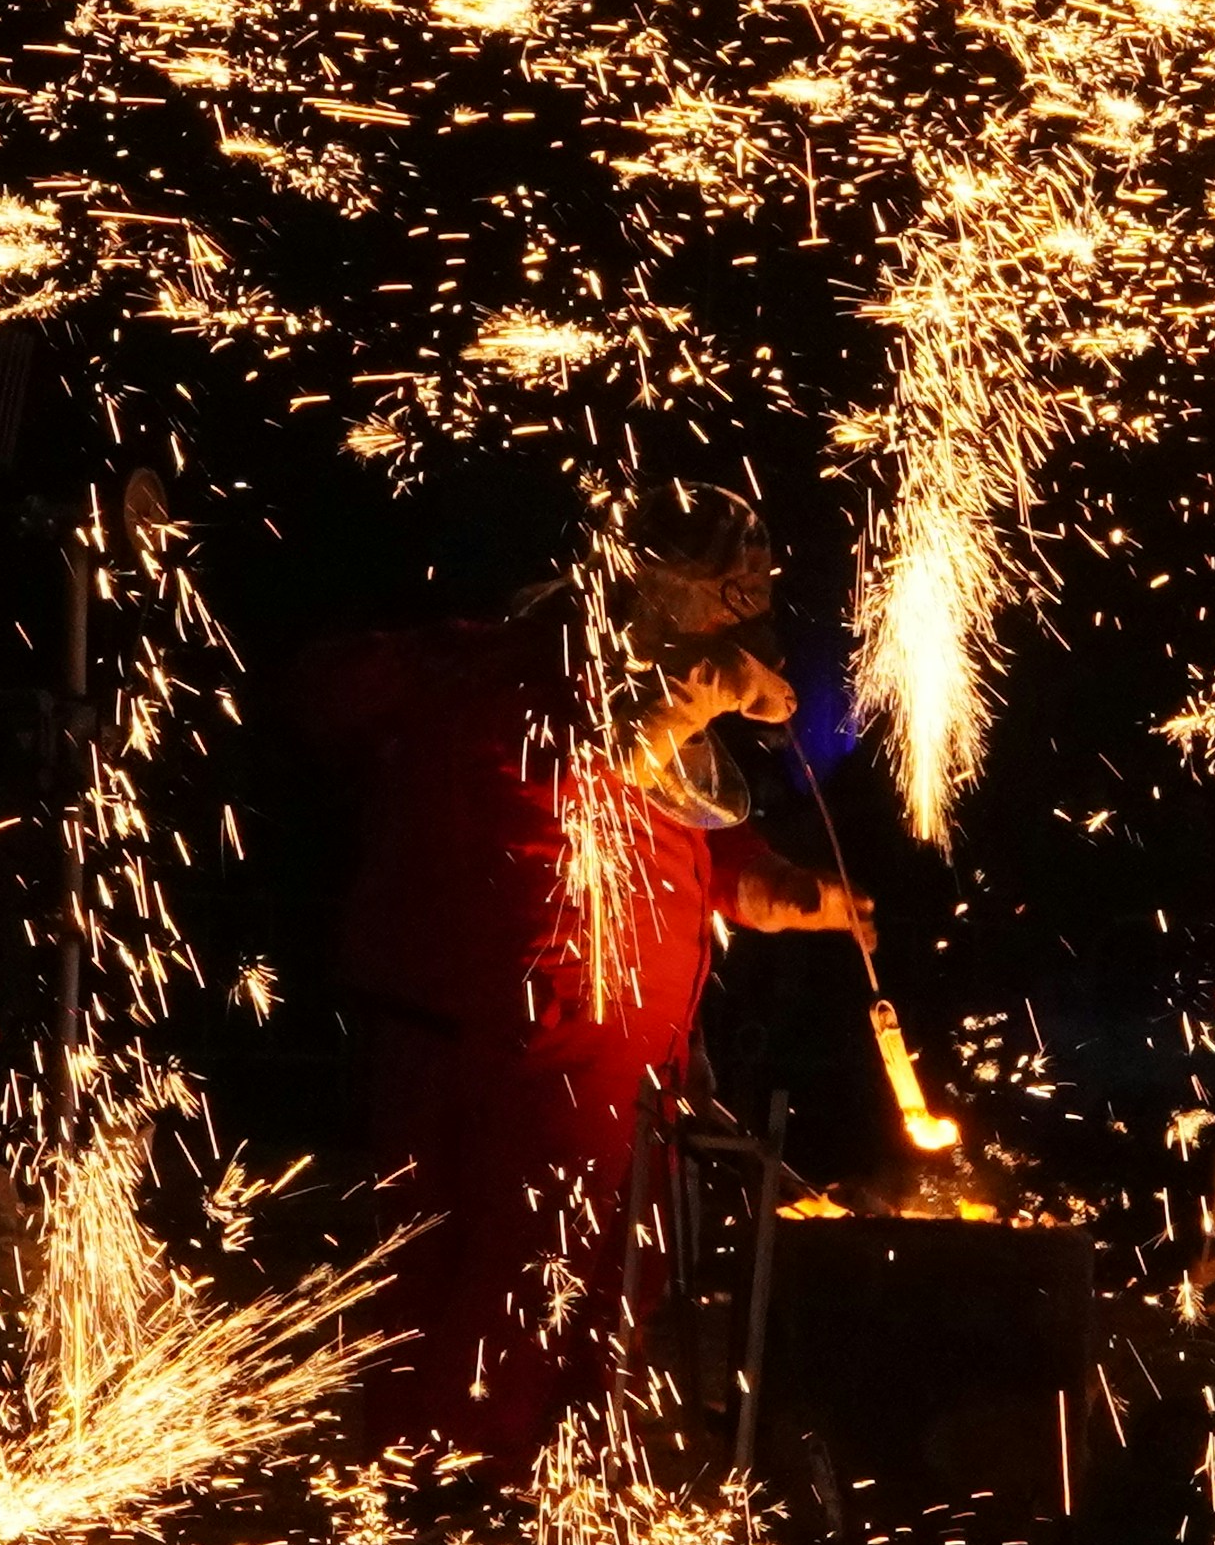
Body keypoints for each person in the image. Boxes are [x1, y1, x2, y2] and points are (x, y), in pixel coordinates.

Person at [289, 486, 867, 1476]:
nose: (742, 618)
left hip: (608, 1047)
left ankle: (546, 1478)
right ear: (656, 580)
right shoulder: (523, 673)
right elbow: (587, 764)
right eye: (727, 598)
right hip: (527, 1040)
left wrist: (769, 885)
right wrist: (706, 686)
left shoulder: (633, 683)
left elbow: (661, 814)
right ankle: (455, 1486)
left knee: (601, 1271)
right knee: (518, 1267)